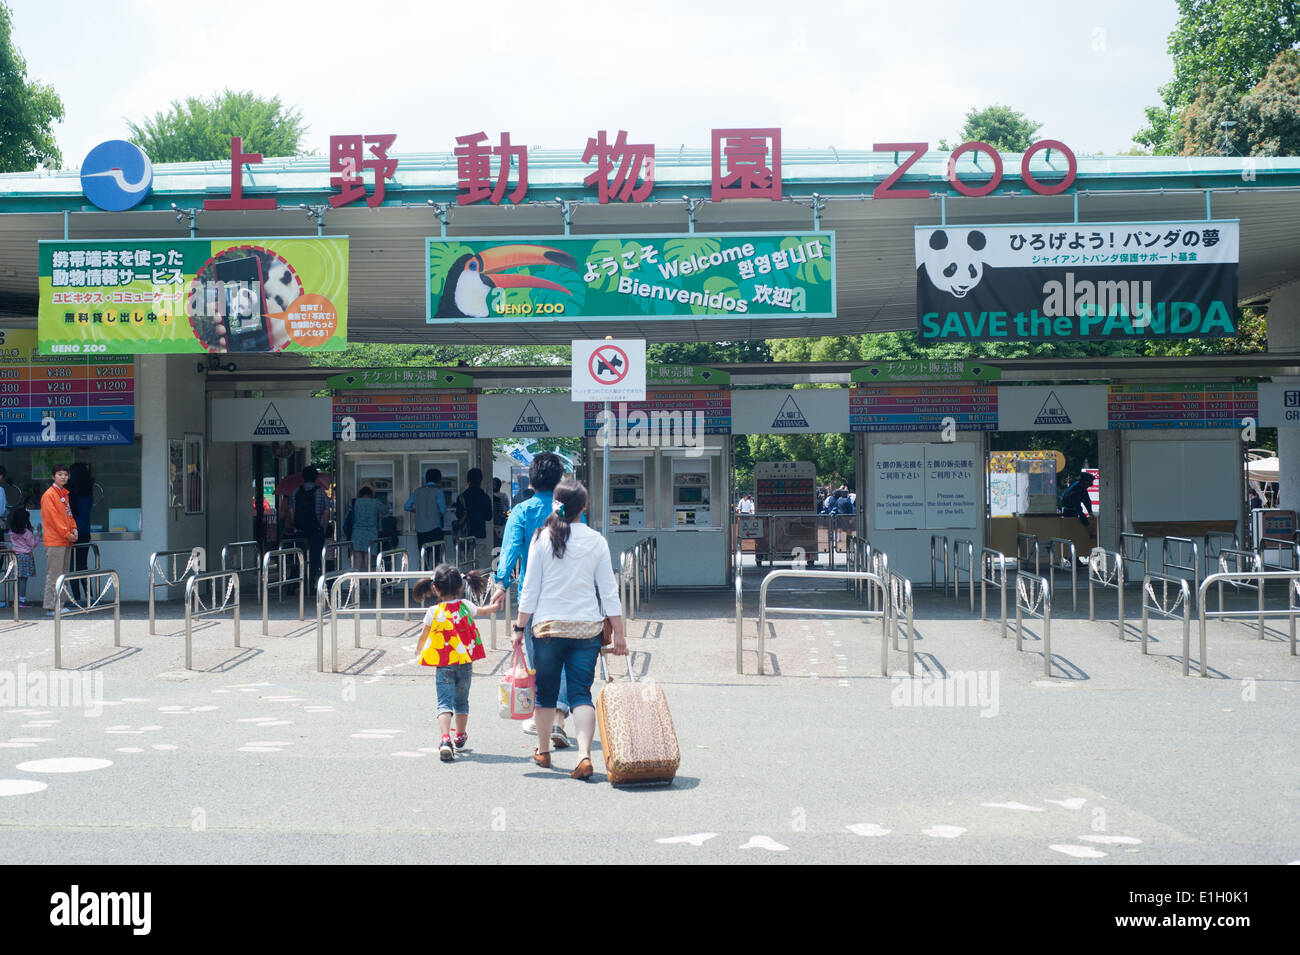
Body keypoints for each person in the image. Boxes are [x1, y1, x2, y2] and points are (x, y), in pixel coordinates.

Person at [512, 478, 626, 779]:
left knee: (545, 695)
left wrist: (518, 627)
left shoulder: (540, 539)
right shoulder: (596, 541)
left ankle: (544, 752)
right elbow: (609, 591)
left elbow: (529, 590)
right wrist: (620, 634)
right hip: (586, 630)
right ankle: (585, 757)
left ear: (555, 505)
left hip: (547, 630)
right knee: (580, 695)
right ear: (584, 507)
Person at [490, 452, 574, 748]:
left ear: (533, 478)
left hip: (533, 596)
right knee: (565, 655)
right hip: (569, 594)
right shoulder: (569, 509)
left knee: (538, 656)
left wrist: (501, 583)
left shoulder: (522, 511)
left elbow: (511, 548)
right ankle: (560, 719)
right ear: (558, 478)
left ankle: (541, 717)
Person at [413, 564, 503, 762]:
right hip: (465, 663)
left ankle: (445, 739)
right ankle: (460, 735)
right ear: (461, 587)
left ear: (435, 588)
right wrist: (496, 606)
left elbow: (424, 634)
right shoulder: (465, 605)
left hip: (443, 664)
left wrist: (419, 648)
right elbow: (483, 611)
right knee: (462, 701)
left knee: (444, 703)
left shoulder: (433, 611)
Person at [40, 465, 78, 615]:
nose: (63, 477)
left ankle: (60, 605)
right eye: (60, 474)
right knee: (54, 574)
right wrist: (67, 533)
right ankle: (51, 607)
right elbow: (53, 519)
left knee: (63, 574)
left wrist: (74, 529)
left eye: (65, 474)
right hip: (55, 540)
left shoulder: (63, 493)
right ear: (53, 476)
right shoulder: (49, 495)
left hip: (65, 539)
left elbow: (69, 515)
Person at [294, 466, 332, 592]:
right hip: (316, 530)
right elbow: (326, 512)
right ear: (316, 478)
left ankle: (300, 583)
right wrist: (325, 528)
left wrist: (292, 526)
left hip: (299, 531)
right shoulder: (320, 492)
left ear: (303, 477)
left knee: (300, 557)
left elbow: (290, 512)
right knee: (315, 558)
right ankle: (311, 584)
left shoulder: (296, 491)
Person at [454, 468, 494, 571]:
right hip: (480, 534)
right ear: (481, 480)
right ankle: (480, 584)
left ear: (468, 481)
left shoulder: (462, 497)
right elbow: (489, 517)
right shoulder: (485, 497)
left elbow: (458, 516)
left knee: (466, 562)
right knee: (481, 562)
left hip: (465, 536)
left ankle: (467, 584)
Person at [405, 468, 447, 563]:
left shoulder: (417, 491)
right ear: (438, 480)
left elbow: (406, 506)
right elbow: (443, 510)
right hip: (435, 530)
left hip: (421, 531)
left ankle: (423, 575)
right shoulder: (438, 491)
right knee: (436, 558)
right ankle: (436, 576)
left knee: (423, 557)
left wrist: (416, 510)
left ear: (426, 479)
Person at [67, 463, 94, 600]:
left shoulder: (71, 493)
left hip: (73, 533)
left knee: (73, 568)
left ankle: (76, 599)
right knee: (83, 566)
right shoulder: (89, 491)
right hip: (85, 533)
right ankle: (90, 596)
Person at [348, 485, 389, 570]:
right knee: (368, 560)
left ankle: (355, 582)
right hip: (371, 534)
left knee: (357, 560)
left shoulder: (355, 502)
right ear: (371, 494)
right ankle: (369, 582)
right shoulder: (375, 502)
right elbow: (386, 510)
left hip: (357, 533)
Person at [6, 506, 38, 607]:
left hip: (15, 556)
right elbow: (32, 544)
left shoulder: (11, 531)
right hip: (26, 556)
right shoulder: (27, 533)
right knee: (23, 579)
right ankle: (22, 600)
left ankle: (15, 599)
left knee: (16, 578)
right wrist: (38, 536)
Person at [1060, 471, 1097, 537]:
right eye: (1088, 485)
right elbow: (1078, 510)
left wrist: (1090, 512)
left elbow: (1087, 501)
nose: (1088, 487)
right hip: (1068, 513)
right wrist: (1087, 525)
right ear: (1083, 482)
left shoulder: (1082, 487)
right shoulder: (1074, 491)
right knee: (1071, 532)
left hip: (1074, 511)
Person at [491, 477, 509, 548]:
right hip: (501, 525)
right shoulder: (504, 496)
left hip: (492, 525)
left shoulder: (489, 496)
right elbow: (506, 510)